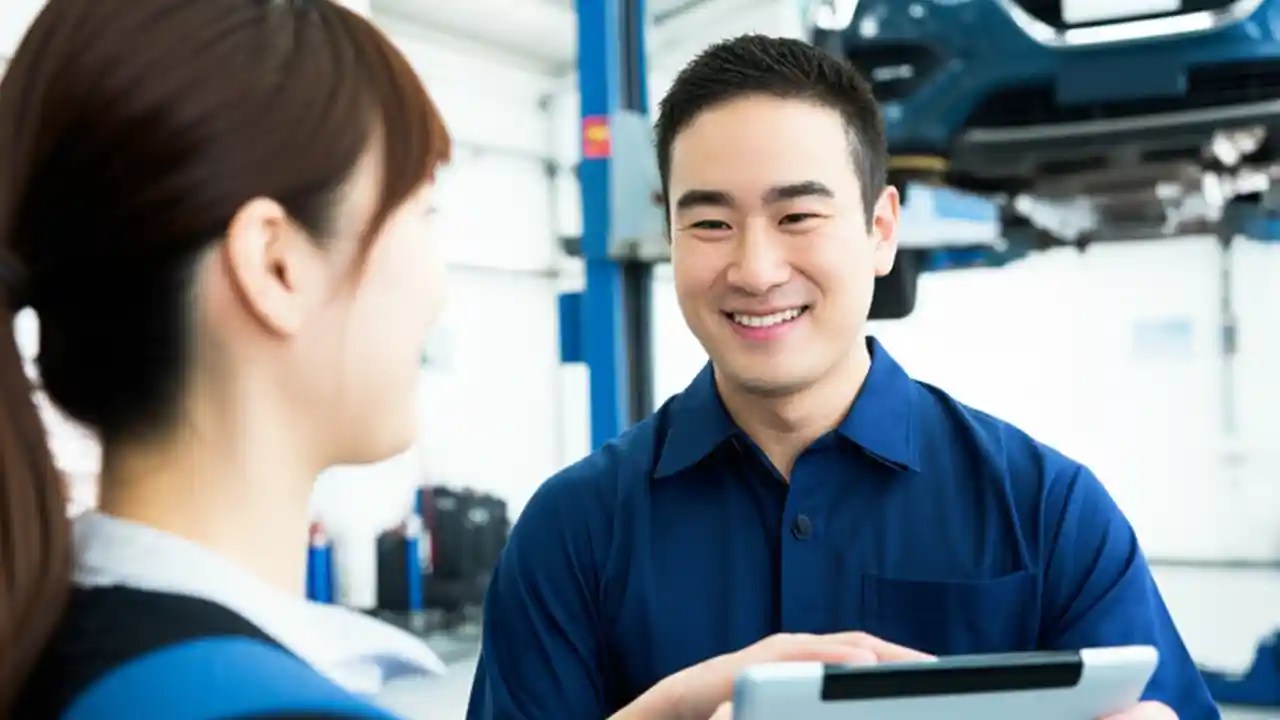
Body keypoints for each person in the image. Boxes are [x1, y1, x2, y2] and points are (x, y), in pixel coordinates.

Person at [0, 3, 904, 718]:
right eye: (419, 218)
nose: (436, 288)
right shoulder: (257, 703)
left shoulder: (52, 649)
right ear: (276, 266)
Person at [467, 34, 1219, 720]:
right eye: (710, 223)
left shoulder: (1048, 513)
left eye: (798, 217)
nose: (756, 270)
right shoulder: (573, 533)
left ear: (881, 231)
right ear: (670, 235)